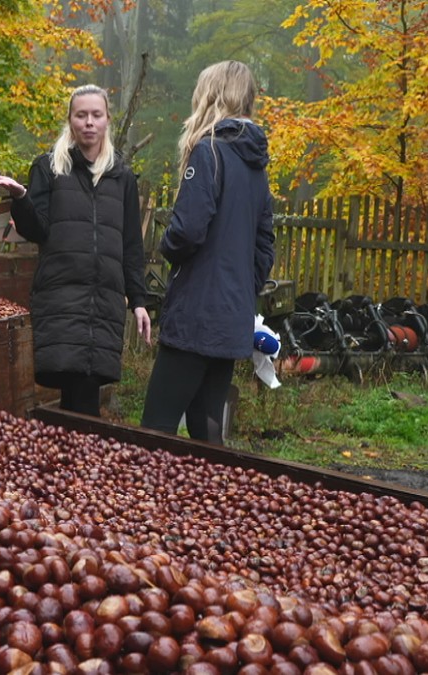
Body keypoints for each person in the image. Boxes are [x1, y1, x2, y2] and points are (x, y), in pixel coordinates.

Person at [0, 84, 152, 416]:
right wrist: (21, 199)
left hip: (104, 301)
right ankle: (69, 464)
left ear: (107, 121)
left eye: (96, 115)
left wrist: (138, 301)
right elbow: (38, 231)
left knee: (87, 392)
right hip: (61, 298)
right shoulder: (48, 167)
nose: (89, 122)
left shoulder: (121, 176)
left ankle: (72, 465)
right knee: (73, 392)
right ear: (70, 120)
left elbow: (131, 244)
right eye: (81, 115)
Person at [140, 60, 276, 443]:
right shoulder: (256, 165)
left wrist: (166, 247)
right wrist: (243, 291)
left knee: (156, 427)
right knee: (207, 430)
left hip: (197, 315)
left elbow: (187, 231)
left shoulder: (209, 152)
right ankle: (212, 500)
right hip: (232, 317)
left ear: (213, 95)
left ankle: (149, 502)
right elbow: (266, 244)